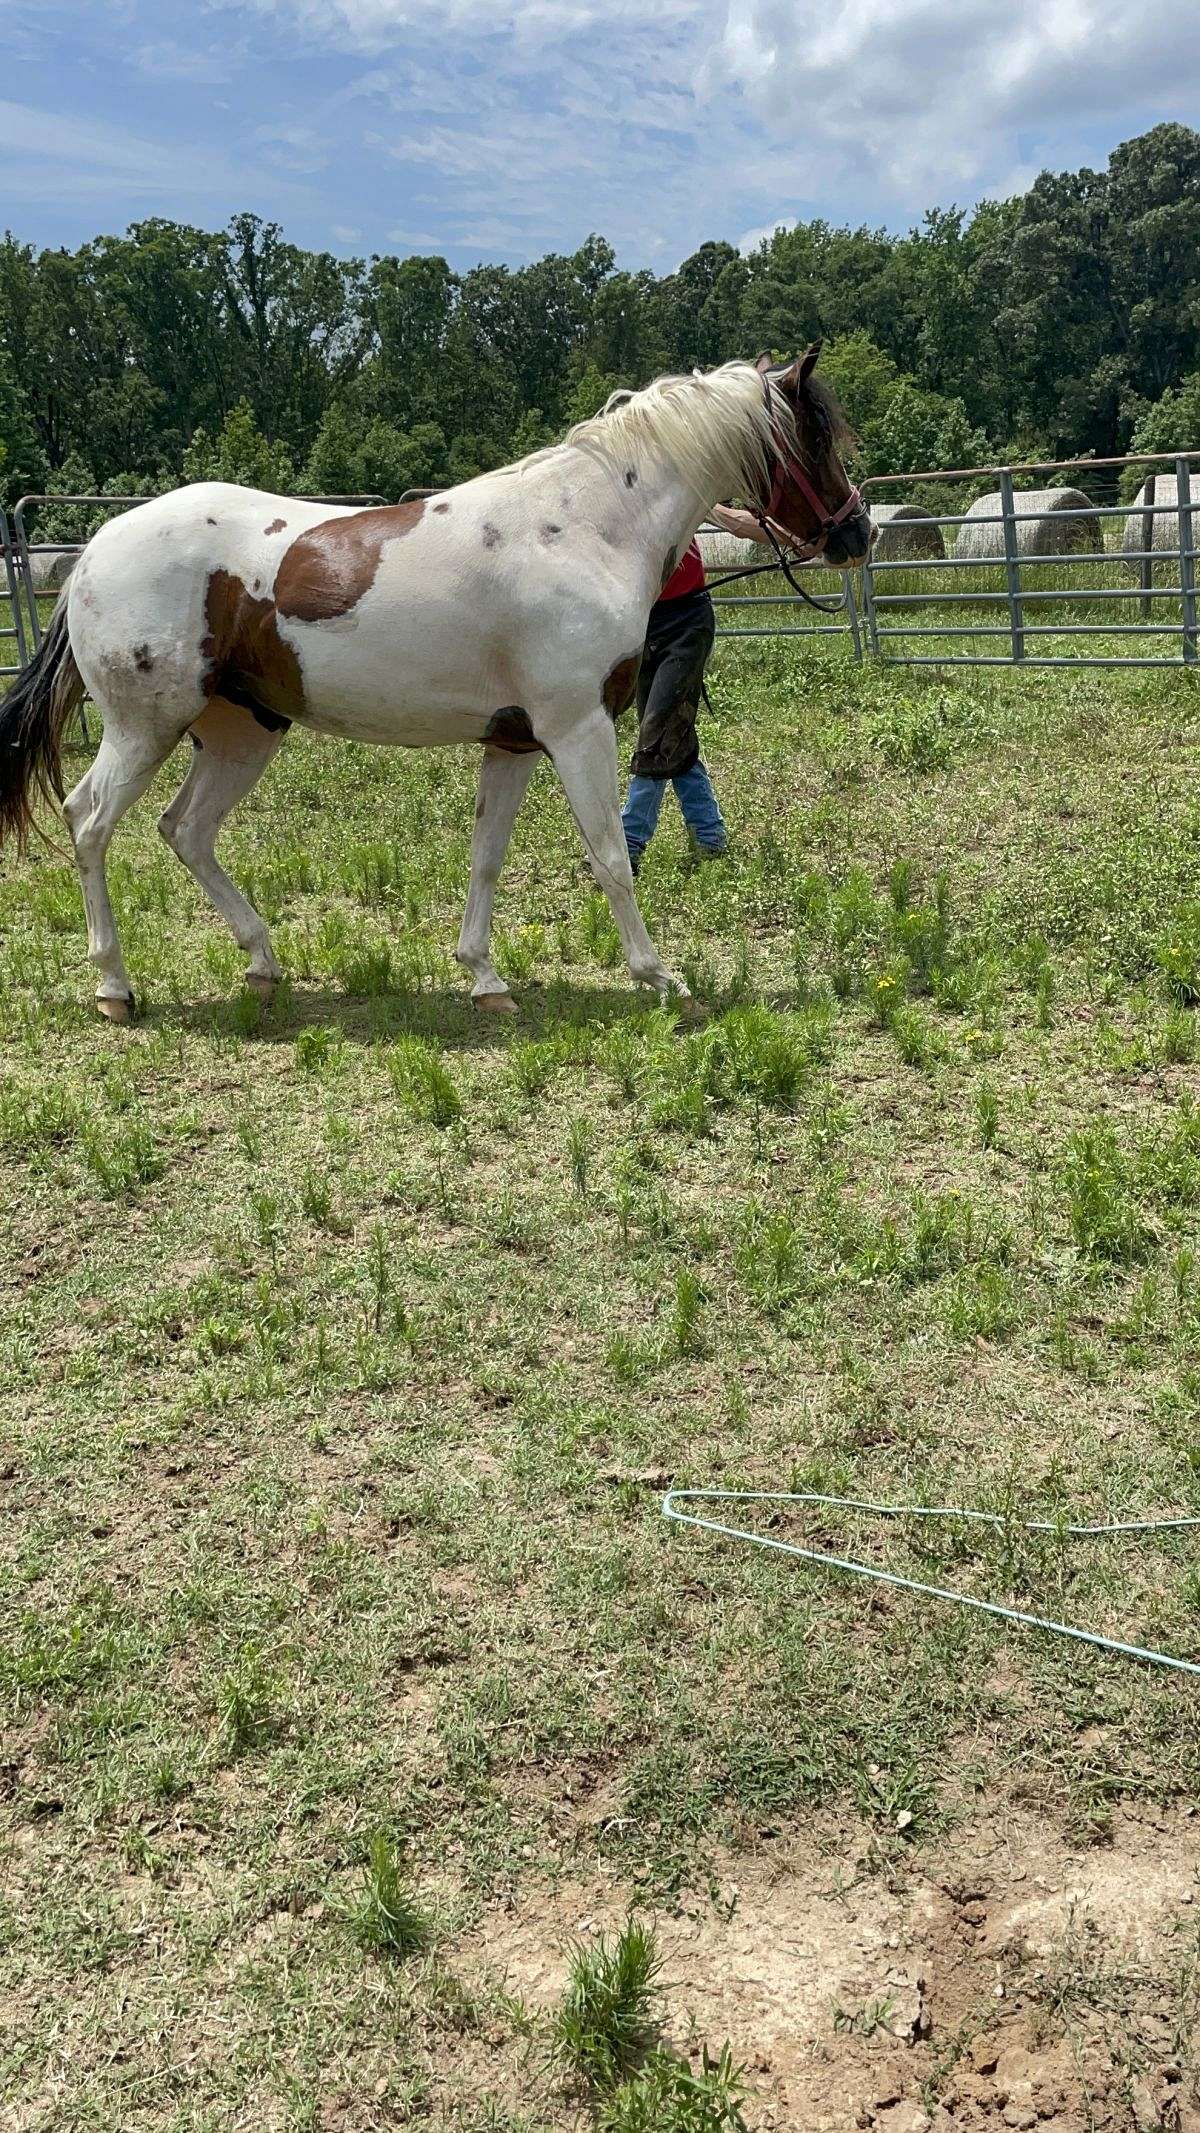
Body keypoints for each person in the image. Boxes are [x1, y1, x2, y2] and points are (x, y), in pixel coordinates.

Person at [620, 504, 797, 877]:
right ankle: (710, 835)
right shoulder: (618, 499)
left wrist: (799, 539)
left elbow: (736, 522)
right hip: (641, 622)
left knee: (656, 737)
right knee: (672, 733)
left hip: (687, 622)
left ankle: (628, 845)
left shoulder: (680, 489)